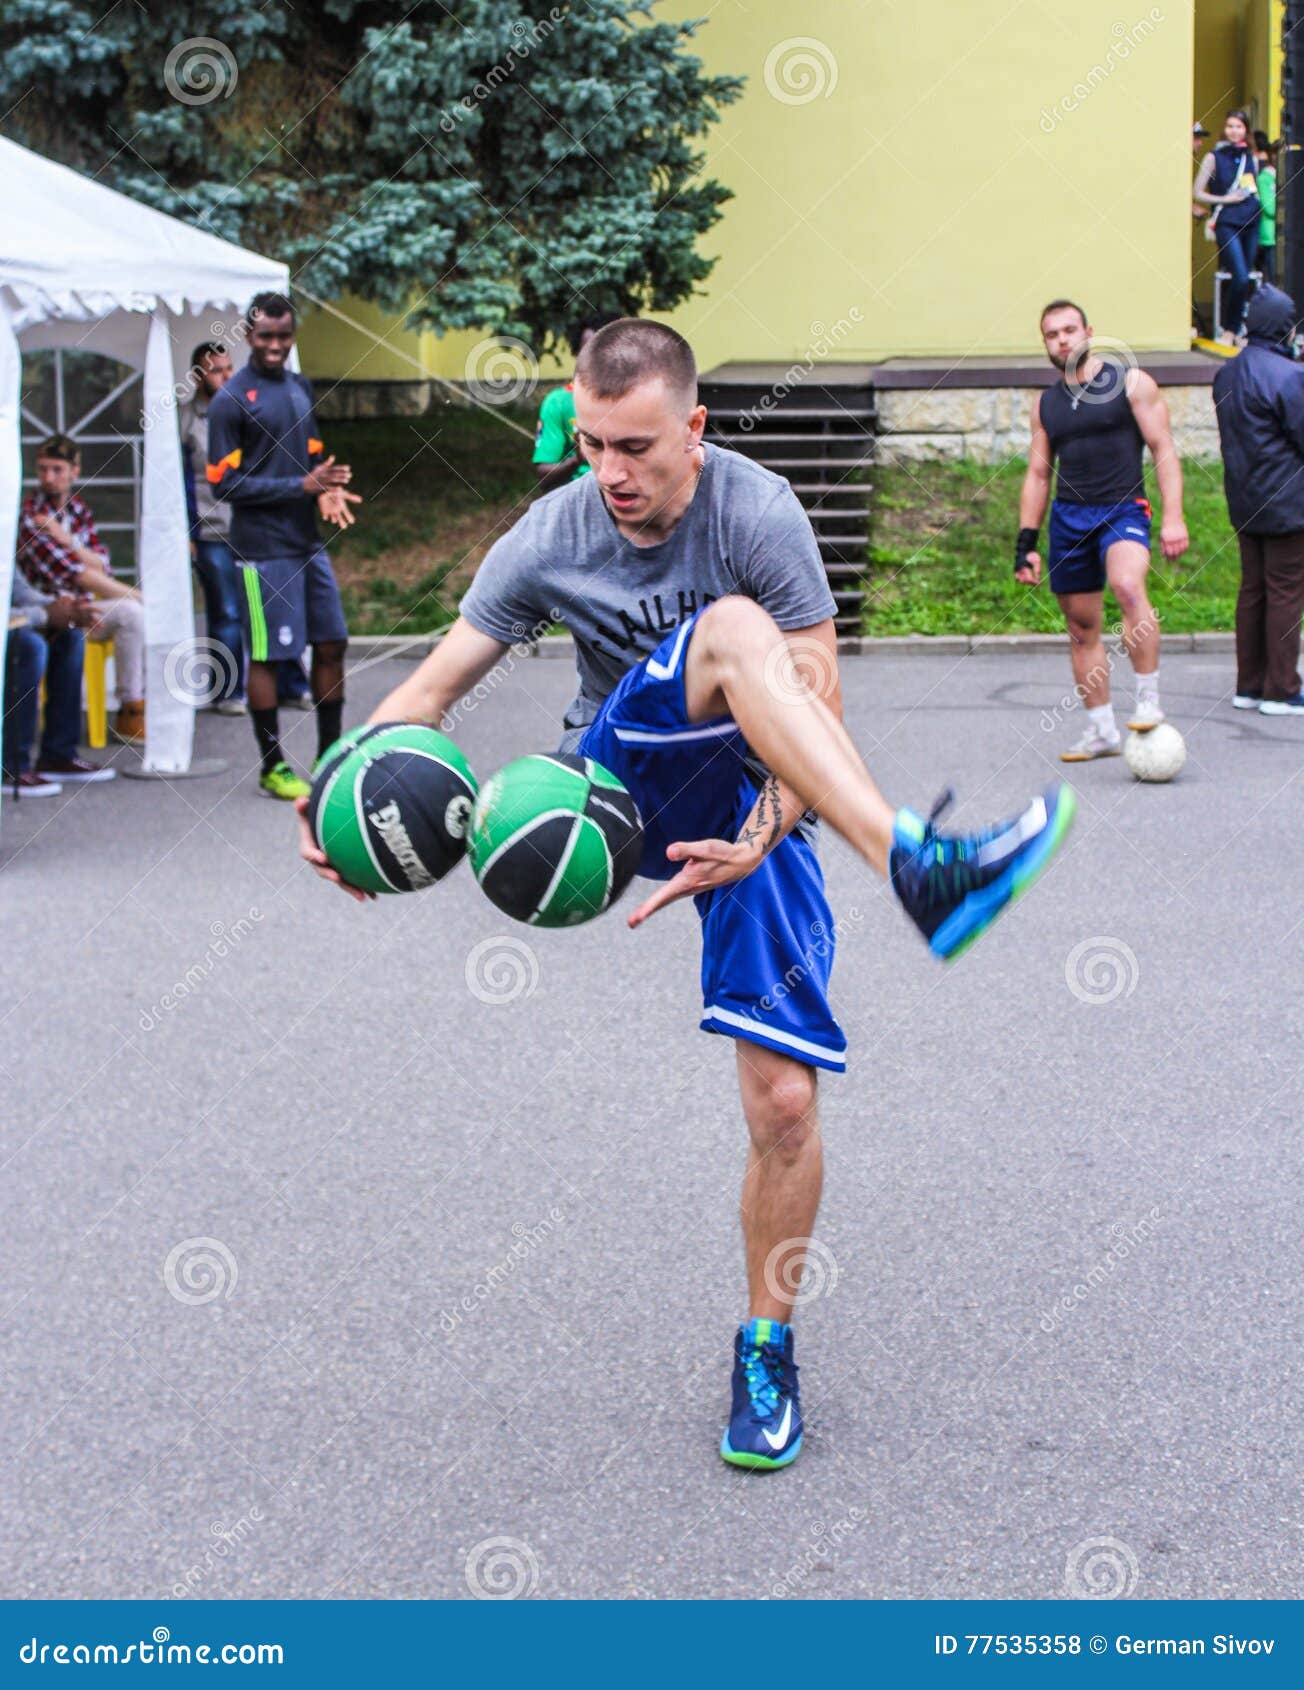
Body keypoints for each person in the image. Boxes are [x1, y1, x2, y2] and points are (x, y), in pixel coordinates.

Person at [297, 319, 1076, 1472]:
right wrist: (331, 806)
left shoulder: (756, 513)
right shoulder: (553, 530)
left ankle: (766, 1349)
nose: (609, 472)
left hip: (753, 805)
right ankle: (915, 863)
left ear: (695, 431)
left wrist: (761, 837)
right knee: (728, 630)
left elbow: (820, 719)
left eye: (637, 447)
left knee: (782, 1105)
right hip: (606, 791)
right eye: (593, 443)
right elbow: (429, 690)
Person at [1015, 300, 1189, 760]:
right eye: (1052, 334)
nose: (1062, 340)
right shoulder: (1046, 405)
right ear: (1045, 343)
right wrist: (1025, 544)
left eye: (1070, 330)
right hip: (1070, 519)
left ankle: (1149, 701)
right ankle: (1102, 731)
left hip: (1123, 510)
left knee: (1128, 586)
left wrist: (1174, 517)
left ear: (1089, 331)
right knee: (1080, 627)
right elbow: (1037, 475)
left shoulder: (1130, 384)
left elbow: (1163, 450)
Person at [206, 292, 361, 799]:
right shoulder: (231, 400)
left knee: (333, 642)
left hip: (306, 542)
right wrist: (300, 488)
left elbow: (312, 456)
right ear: (249, 335)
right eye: (266, 336)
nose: (275, 345)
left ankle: (330, 754)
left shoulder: (298, 386)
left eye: (284, 336)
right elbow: (221, 485)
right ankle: (273, 767)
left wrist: (327, 490)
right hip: (260, 549)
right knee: (270, 656)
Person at [180, 342, 313, 715]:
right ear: (198, 376)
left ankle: (291, 685)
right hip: (213, 531)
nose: (225, 376)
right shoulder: (186, 420)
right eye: (215, 370)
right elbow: (181, 483)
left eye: (228, 368)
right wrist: (189, 533)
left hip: (259, 528)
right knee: (226, 611)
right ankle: (228, 691)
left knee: (275, 608)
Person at [17, 434, 147, 744]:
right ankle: (64, 738)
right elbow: (77, 574)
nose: (49, 477)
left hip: (87, 608)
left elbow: (101, 565)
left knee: (132, 614)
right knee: (134, 607)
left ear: (75, 471)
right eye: (43, 469)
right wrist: (138, 594)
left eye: (57, 469)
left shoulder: (76, 510)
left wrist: (66, 538)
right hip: (49, 613)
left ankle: (132, 708)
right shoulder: (31, 515)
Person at [1212, 284, 1304, 714]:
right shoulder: (1289, 376)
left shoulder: (1225, 374)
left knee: (1253, 590)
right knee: (1285, 591)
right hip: (1288, 502)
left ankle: (1248, 686)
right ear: (1284, 328)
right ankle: (1282, 690)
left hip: (1245, 499)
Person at [4, 571, 111, 796]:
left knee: (69, 636)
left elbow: (18, 589)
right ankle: (11, 766)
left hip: (17, 619)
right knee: (29, 647)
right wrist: (44, 614)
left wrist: (67, 609)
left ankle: (58, 755)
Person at [533, 312, 624, 493]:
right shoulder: (558, 402)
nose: (595, 360)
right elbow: (544, 478)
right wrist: (577, 459)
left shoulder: (637, 399)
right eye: (588, 351)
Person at [1194, 109, 1262, 343]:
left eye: (1239, 127)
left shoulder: (1250, 156)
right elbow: (1197, 192)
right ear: (1225, 128)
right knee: (1240, 276)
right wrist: (1226, 200)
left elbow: (1253, 188)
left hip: (1251, 221)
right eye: (1230, 126)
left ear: (1246, 130)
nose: (1234, 131)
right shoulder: (1214, 157)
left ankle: (1241, 328)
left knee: (1244, 278)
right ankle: (1229, 329)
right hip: (1227, 222)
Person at [1253, 135, 1277, 286]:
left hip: (1282, 234)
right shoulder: (1265, 178)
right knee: (1272, 279)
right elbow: (1270, 208)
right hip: (1270, 236)